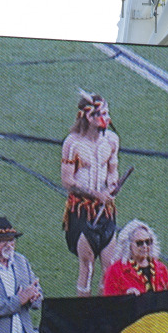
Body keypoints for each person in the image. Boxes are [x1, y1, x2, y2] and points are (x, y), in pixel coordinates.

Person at [60, 90, 122, 295]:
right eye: (102, 113)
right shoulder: (72, 143)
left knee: (109, 267)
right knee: (87, 268)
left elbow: (113, 171)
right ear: (88, 116)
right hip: (82, 211)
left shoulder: (112, 140)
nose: (106, 118)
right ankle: (84, 317)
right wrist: (97, 195)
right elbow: (67, 181)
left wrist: (112, 185)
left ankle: (104, 316)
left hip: (105, 211)